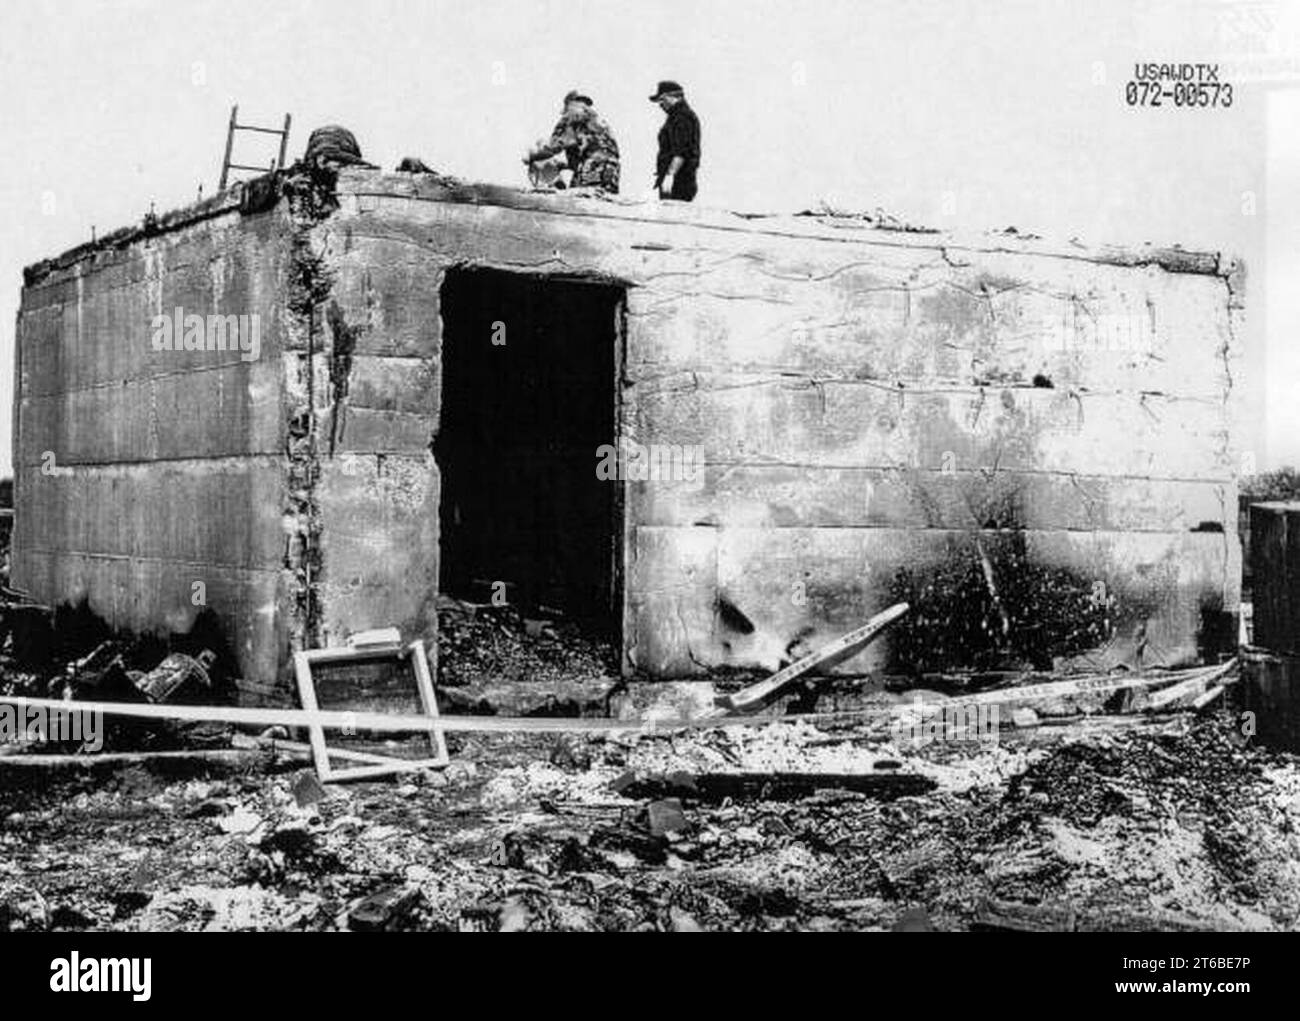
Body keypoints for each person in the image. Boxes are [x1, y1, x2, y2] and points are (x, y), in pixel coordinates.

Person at [526, 90, 621, 193]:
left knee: (584, 200)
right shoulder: (598, 120)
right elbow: (589, 147)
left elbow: (555, 146)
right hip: (612, 167)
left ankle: (552, 188)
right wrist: (562, 165)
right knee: (602, 200)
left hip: (592, 166)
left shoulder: (570, 116)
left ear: (568, 103)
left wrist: (533, 155)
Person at [649, 80, 701, 201]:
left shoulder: (682, 117)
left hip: (679, 182)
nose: (660, 104)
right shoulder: (676, 117)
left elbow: (681, 152)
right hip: (676, 181)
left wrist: (669, 176)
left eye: (662, 99)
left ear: (674, 97)